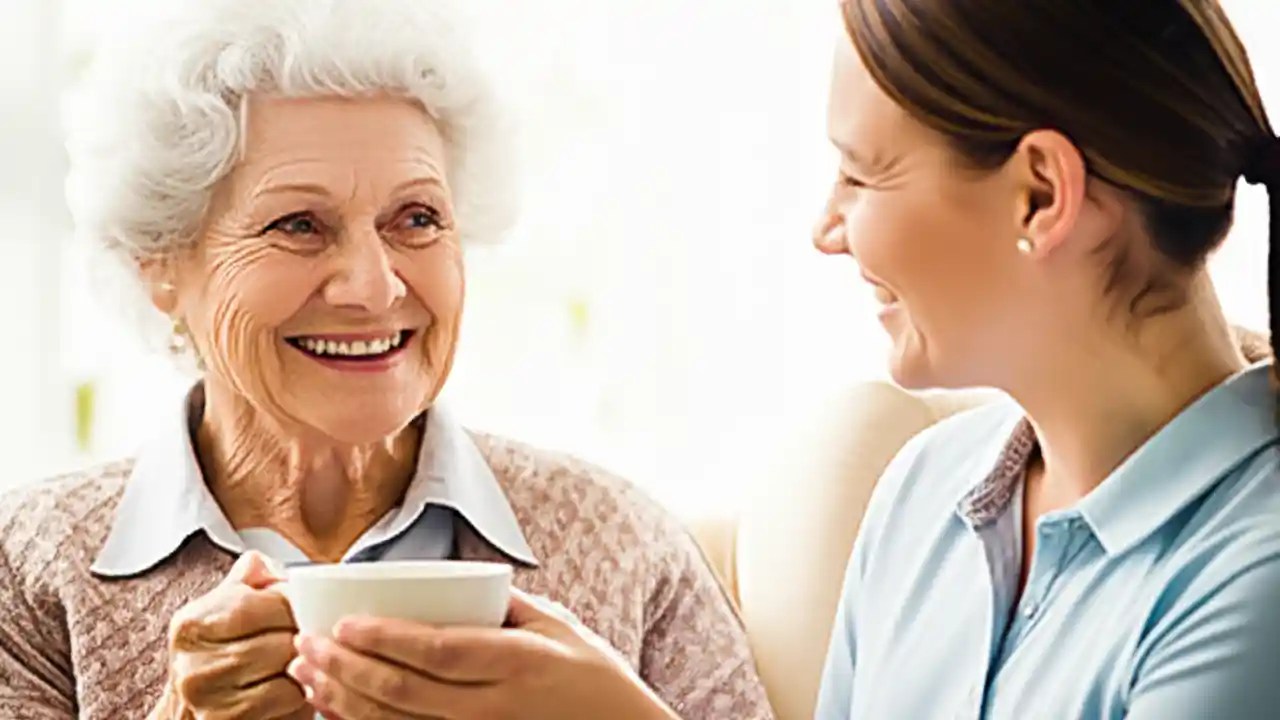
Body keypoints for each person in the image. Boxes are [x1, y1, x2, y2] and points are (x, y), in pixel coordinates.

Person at [0, 1, 773, 718]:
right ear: (160, 264)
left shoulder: (620, 545)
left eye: (417, 218)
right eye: (299, 224)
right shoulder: (29, 569)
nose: (373, 287)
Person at [812, 1, 1280, 718]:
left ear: (1040, 194)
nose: (828, 230)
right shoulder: (920, 496)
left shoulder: (1255, 577)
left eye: (861, 175)